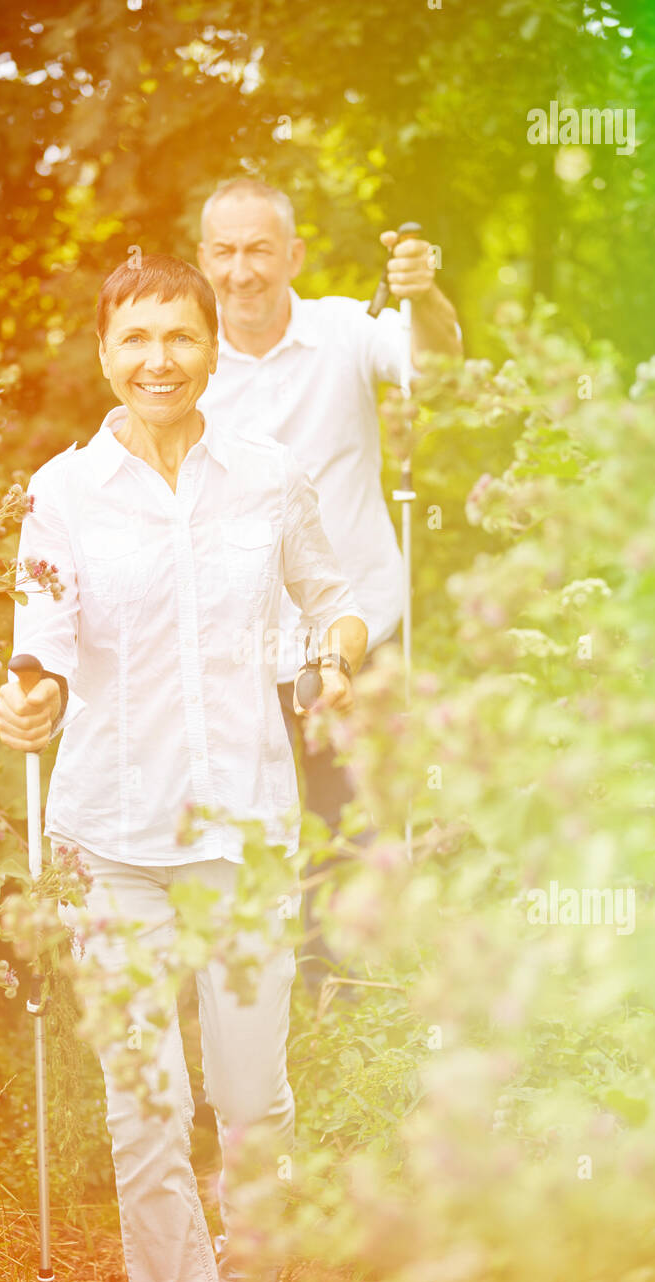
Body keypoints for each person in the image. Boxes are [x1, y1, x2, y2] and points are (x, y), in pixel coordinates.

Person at [0, 253, 367, 1282]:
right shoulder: (61, 493)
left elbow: (334, 595)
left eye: (180, 337)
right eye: (136, 339)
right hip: (110, 839)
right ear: (105, 352)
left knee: (253, 1100)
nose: (159, 359)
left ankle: (249, 1281)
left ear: (210, 349)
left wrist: (334, 657)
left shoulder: (268, 476)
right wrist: (29, 700)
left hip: (243, 833)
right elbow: (42, 645)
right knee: (143, 1101)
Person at [196, 179, 462, 968]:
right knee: (247, 833)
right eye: (225, 251)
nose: (242, 270)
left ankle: (355, 1013)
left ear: (294, 255)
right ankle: (256, 1002)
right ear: (204, 258)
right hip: (236, 644)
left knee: (358, 824)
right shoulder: (186, 360)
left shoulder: (348, 329)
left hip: (356, 631)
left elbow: (435, 368)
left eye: (259, 250)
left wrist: (428, 297)